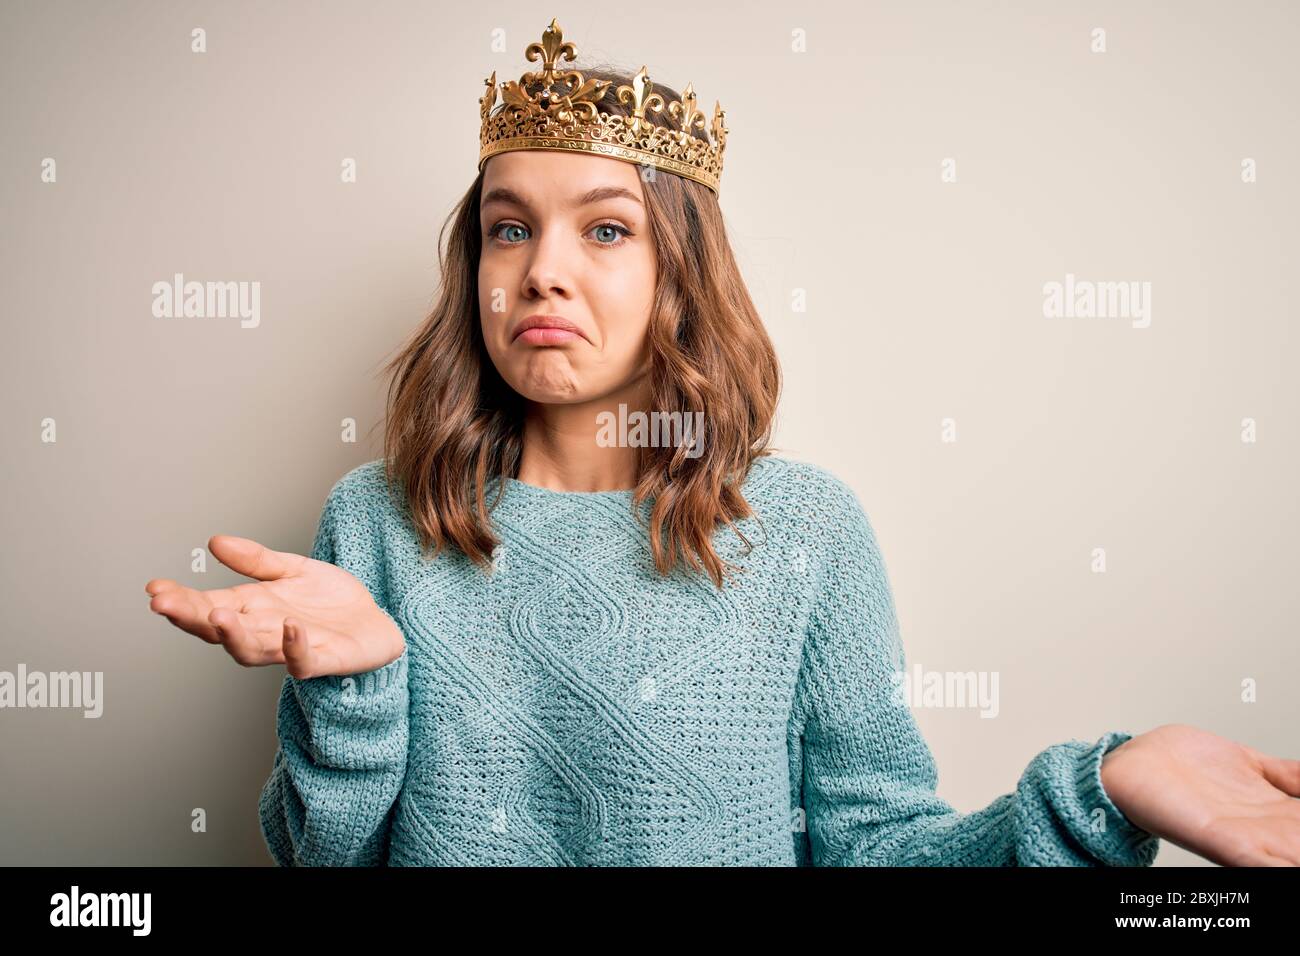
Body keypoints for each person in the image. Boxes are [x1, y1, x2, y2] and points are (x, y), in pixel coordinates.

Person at [145, 18, 1300, 867]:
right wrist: (354, 688)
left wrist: (1098, 791)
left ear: (680, 274)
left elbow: (879, 851)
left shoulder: (802, 529)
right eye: (509, 229)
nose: (542, 266)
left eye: (606, 228)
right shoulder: (377, 517)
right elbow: (320, 860)